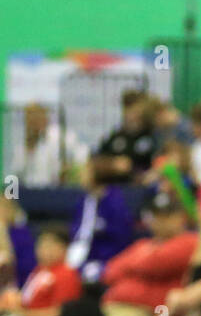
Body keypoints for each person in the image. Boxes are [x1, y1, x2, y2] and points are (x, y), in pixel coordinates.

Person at [65, 156, 135, 284]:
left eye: (86, 171)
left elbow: (120, 238)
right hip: (80, 254)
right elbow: (77, 230)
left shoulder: (115, 202)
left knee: (89, 274)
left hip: (105, 260)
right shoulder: (85, 200)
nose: (81, 176)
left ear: (97, 174)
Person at [95, 89, 158, 183]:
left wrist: (133, 169)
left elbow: (159, 163)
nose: (132, 113)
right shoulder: (116, 136)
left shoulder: (153, 135)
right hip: (115, 187)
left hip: (141, 188)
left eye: (135, 108)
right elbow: (98, 158)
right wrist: (112, 164)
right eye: (128, 108)